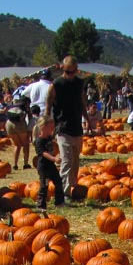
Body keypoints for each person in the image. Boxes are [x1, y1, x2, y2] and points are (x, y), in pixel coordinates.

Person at [45, 55, 88, 201]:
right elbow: (48, 104)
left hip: (77, 127)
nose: (69, 74)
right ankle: (63, 193)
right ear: (63, 68)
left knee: (75, 162)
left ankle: (72, 188)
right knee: (66, 161)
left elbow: (82, 102)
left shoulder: (79, 83)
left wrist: (87, 119)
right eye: (67, 71)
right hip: (62, 127)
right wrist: (47, 121)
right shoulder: (56, 84)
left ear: (76, 70)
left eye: (72, 71)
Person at [32, 116, 63, 212]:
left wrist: (56, 154)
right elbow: (43, 153)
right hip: (44, 167)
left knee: (58, 182)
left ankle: (59, 202)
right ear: (43, 127)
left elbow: (53, 148)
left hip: (51, 166)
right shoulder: (39, 141)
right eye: (51, 128)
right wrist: (54, 159)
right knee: (44, 185)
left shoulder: (49, 138)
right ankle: (41, 204)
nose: (52, 130)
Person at [4, 95, 31, 169]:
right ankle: (26, 164)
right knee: (25, 144)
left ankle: (15, 165)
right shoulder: (25, 107)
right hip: (19, 124)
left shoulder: (12, 106)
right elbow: (30, 117)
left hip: (9, 124)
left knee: (17, 145)